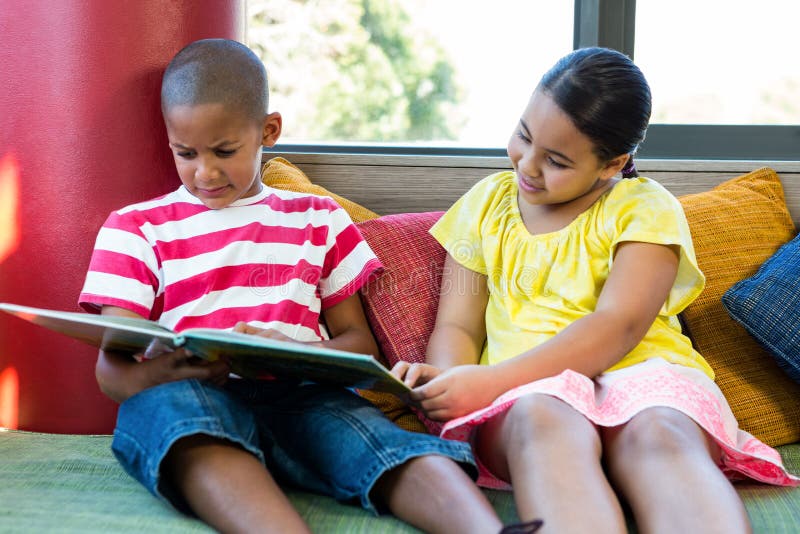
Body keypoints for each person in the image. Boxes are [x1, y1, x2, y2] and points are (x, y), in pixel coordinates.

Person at [78, 38, 514, 534]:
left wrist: (292, 349)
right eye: (186, 152)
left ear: (269, 131)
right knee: (180, 423)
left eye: (225, 151)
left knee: (381, 440)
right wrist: (169, 372)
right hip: (193, 395)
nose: (206, 171)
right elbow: (112, 368)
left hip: (306, 398)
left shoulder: (318, 218)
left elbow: (359, 344)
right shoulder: (136, 228)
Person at [392, 47, 799, 534]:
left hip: (641, 378)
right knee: (543, 421)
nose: (528, 164)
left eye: (557, 161)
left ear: (613, 164)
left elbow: (617, 326)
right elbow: (457, 322)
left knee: (662, 435)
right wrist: (453, 379)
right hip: (523, 394)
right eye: (523, 135)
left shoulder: (644, 208)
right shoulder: (484, 206)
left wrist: (489, 380)